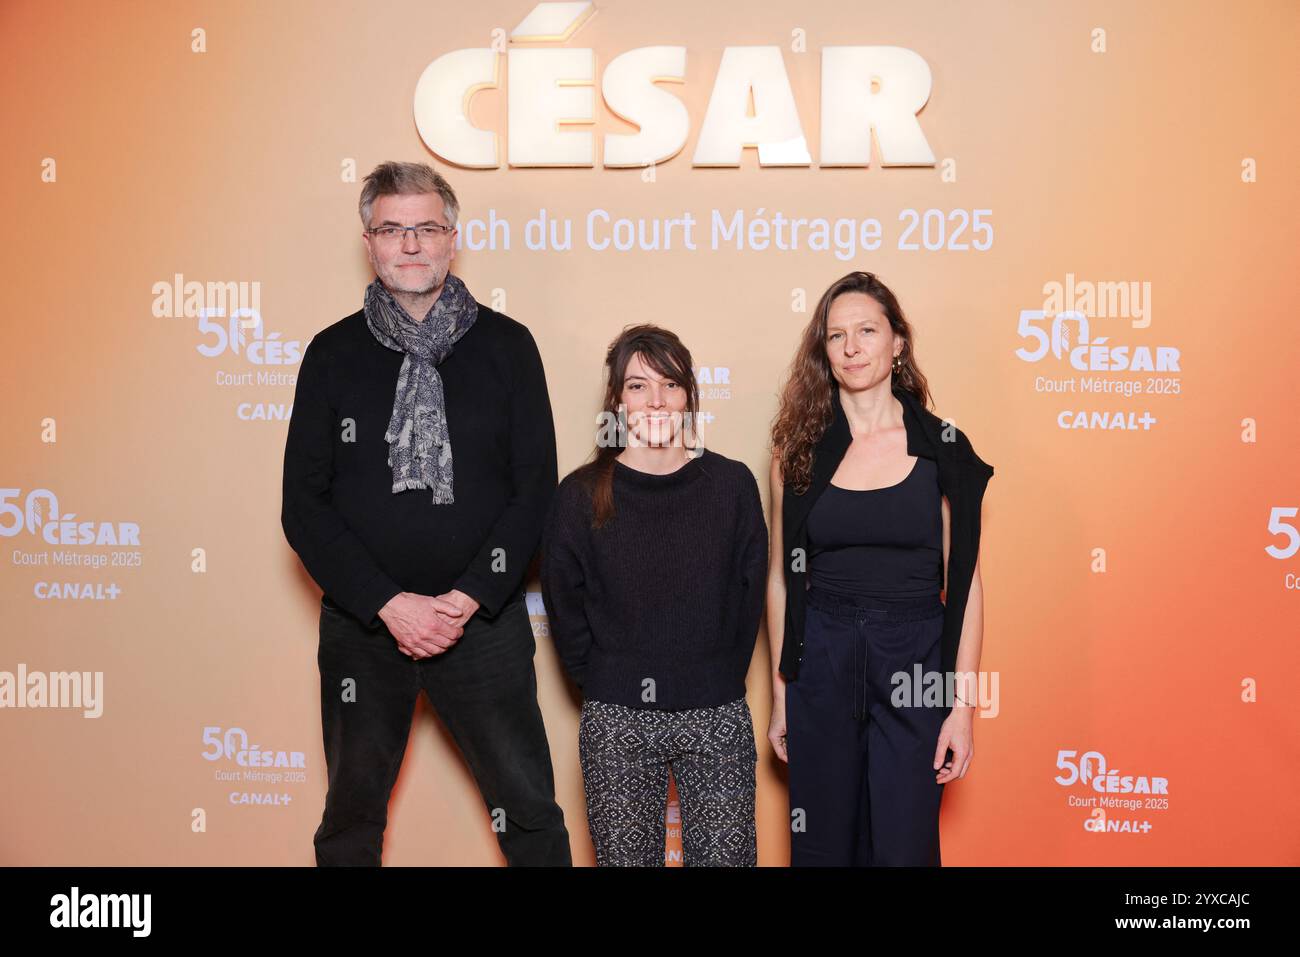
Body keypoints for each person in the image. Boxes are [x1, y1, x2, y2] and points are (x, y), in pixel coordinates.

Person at [281, 160, 570, 866]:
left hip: (485, 625)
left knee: (529, 811)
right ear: (369, 241)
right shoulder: (331, 353)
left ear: (452, 237)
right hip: (363, 628)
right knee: (350, 820)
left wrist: (466, 598)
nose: (410, 244)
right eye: (392, 229)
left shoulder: (509, 346)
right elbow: (303, 506)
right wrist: (389, 604)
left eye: (426, 228)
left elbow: (535, 492)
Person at [765, 271, 994, 866]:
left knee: (904, 849)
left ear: (897, 342)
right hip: (822, 658)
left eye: (867, 330)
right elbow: (778, 579)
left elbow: (965, 586)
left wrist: (962, 709)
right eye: (837, 335)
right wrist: (781, 694)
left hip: (915, 662)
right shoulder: (797, 452)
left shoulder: (945, 448)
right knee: (822, 848)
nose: (852, 346)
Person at [540, 325, 767, 866]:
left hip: (715, 711)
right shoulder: (579, 496)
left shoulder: (731, 486)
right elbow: (563, 603)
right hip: (617, 718)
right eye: (638, 386)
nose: (657, 401)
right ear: (617, 400)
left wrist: (715, 676)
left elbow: (749, 594)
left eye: (670, 384)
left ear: (690, 393)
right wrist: (604, 679)